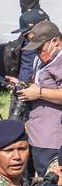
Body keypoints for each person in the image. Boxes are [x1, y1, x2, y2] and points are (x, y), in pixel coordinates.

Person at [12, 20, 62, 175]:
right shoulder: (42, 60)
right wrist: (22, 86)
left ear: (55, 41)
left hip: (52, 139)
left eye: (40, 48)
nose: (38, 53)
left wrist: (39, 93)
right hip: (35, 133)